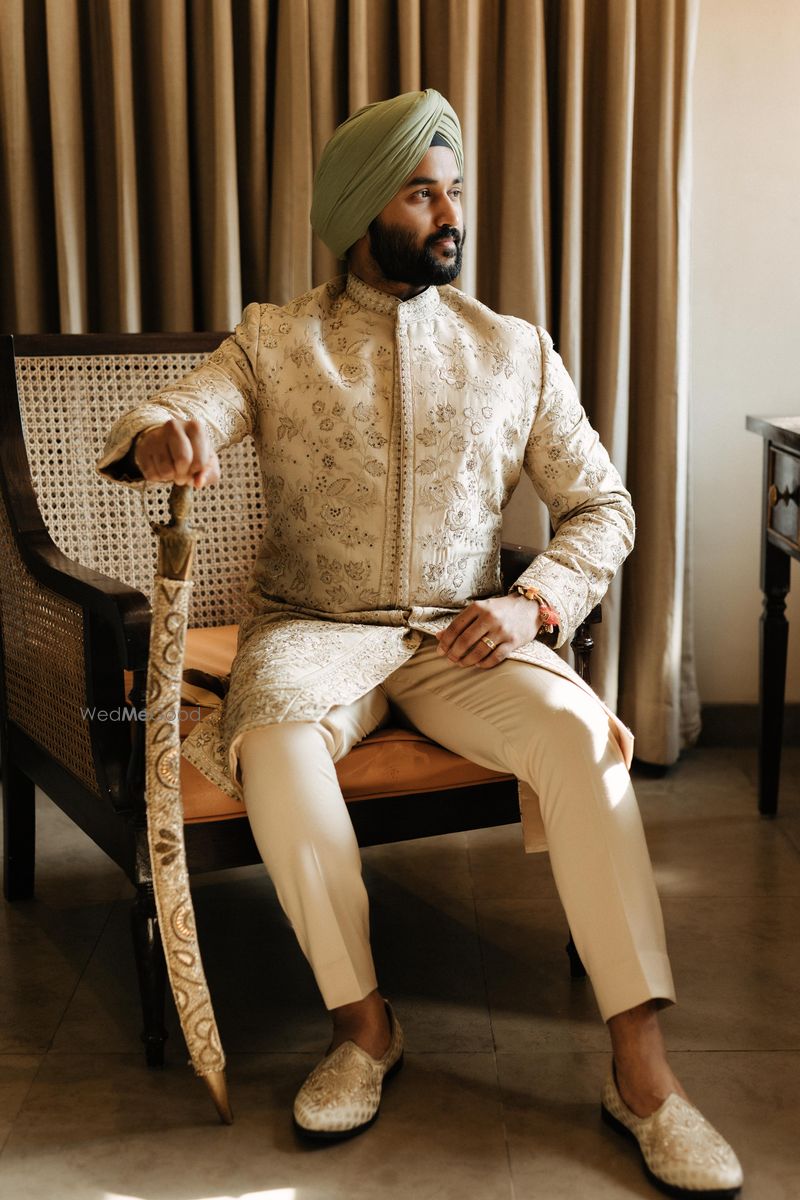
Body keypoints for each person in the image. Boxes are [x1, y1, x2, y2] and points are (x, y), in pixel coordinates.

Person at [99, 90, 742, 1198]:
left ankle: (643, 1075)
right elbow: (173, 411)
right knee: (276, 749)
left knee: (581, 738)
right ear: (361, 212)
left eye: (454, 192)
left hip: (463, 634)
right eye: (420, 194)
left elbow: (603, 507)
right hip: (309, 629)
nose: (450, 215)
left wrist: (534, 604)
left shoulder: (512, 349)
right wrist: (165, 437)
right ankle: (364, 1028)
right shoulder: (274, 340)